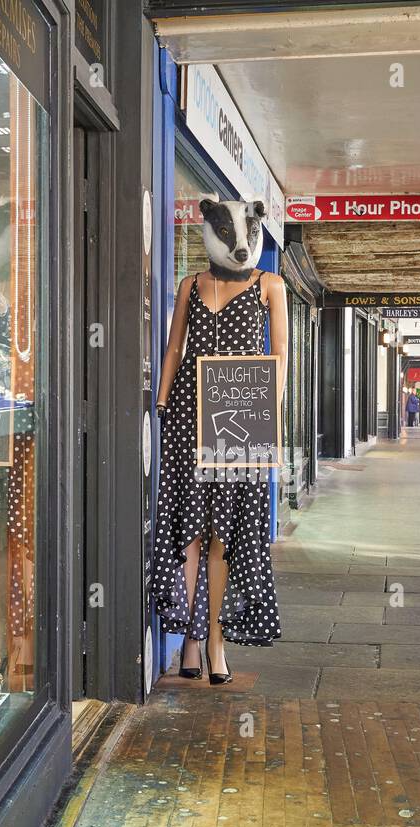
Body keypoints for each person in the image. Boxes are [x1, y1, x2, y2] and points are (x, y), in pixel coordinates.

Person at [152, 197, 286, 685]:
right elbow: (173, 348)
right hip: (187, 413)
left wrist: (269, 416)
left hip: (241, 416)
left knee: (224, 535)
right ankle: (188, 641)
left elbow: (281, 353)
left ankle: (215, 641)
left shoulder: (270, 285)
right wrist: (160, 407)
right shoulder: (189, 285)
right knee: (189, 532)